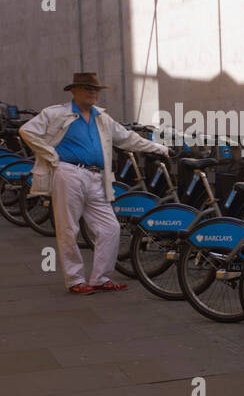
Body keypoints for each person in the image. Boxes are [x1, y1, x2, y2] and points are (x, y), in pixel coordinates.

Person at [19, 72, 171, 293]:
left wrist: (161, 148)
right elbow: (27, 131)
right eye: (87, 89)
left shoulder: (101, 117)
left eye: (95, 90)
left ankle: (100, 277)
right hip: (69, 172)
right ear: (74, 91)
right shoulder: (57, 113)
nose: (92, 93)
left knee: (110, 227)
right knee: (68, 228)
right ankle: (75, 280)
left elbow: (128, 138)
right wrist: (52, 156)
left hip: (96, 177)